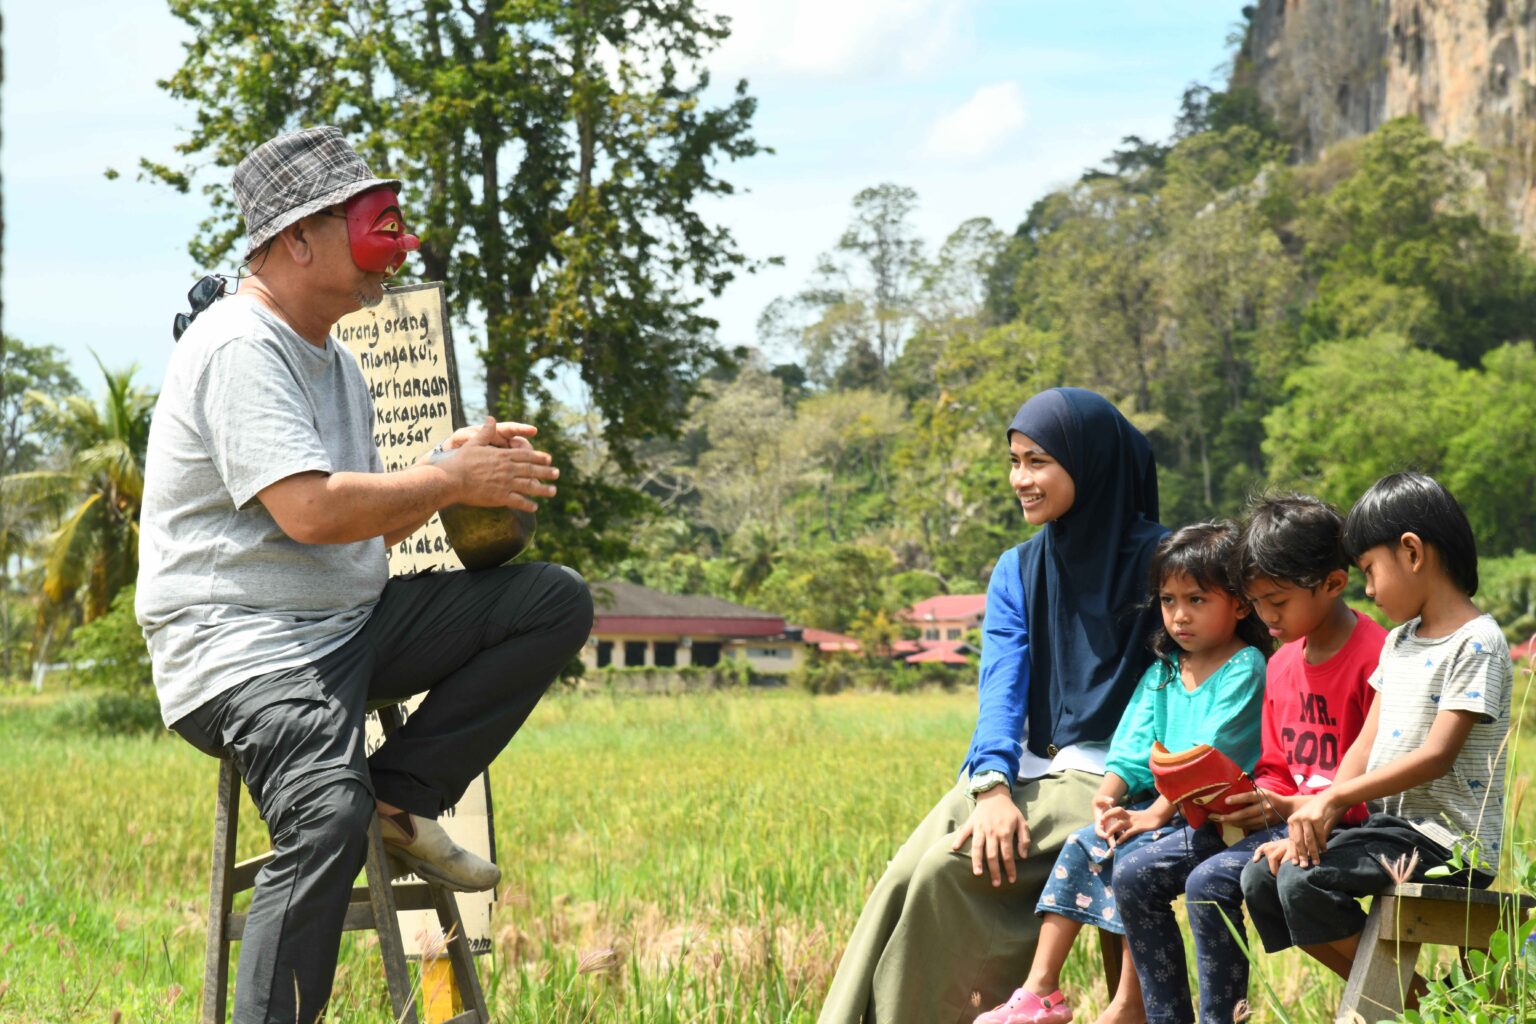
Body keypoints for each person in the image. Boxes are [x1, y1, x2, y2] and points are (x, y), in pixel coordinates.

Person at [136, 126, 594, 1024]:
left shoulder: (337, 359)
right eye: (372, 228)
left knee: (551, 602)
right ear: (296, 237)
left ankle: (401, 794)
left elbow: (356, 502)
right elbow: (310, 511)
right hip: (243, 651)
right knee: (322, 819)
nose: (394, 252)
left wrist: (454, 467)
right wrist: (448, 479)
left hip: (347, 625)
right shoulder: (240, 344)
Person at [817, 387, 1167, 1024]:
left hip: (1113, 778)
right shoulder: (1018, 568)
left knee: (943, 879)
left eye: (1038, 462)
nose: (1020, 480)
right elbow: (1001, 688)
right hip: (1022, 770)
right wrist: (992, 788)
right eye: (1014, 461)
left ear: (1088, 465)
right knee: (900, 878)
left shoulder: (1165, 563)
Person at [978, 521, 1271, 1024]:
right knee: (1084, 845)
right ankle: (1041, 990)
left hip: (1214, 821)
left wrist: (1153, 814)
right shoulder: (1163, 672)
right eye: (1168, 600)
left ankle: (1163, 1011)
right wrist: (1108, 799)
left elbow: (1211, 755)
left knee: (1137, 865)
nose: (1179, 615)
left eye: (1197, 600)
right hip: (1168, 817)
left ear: (1240, 605)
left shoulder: (1245, 667)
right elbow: (1133, 744)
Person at [1112, 494, 1386, 1024]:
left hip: (1340, 825)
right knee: (1135, 874)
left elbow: (1371, 783)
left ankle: (1223, 1018)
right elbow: (1275, 765)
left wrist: (1286, 806)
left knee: (1208, 883)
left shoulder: (1375, 657)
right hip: (1274, 821)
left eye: (1277, 602)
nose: (1265, 616)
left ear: (1333, 582)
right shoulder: (1282, 663)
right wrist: (1258, 797)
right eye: (1257, 602)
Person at [1240, 472, 1510, 997]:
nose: (1368, 588)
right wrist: (1317, 817)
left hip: (1448, 844)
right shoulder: (1400, 642)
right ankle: (1422, 1002)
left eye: (1369, 569)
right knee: (1262, 880)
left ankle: (1416, 1005)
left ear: (1411, 552)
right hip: (1390, 833)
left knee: (1301, 880)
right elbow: (1366, 742)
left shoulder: (1477, 642)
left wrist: (1335, 798)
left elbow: (1436, 756)